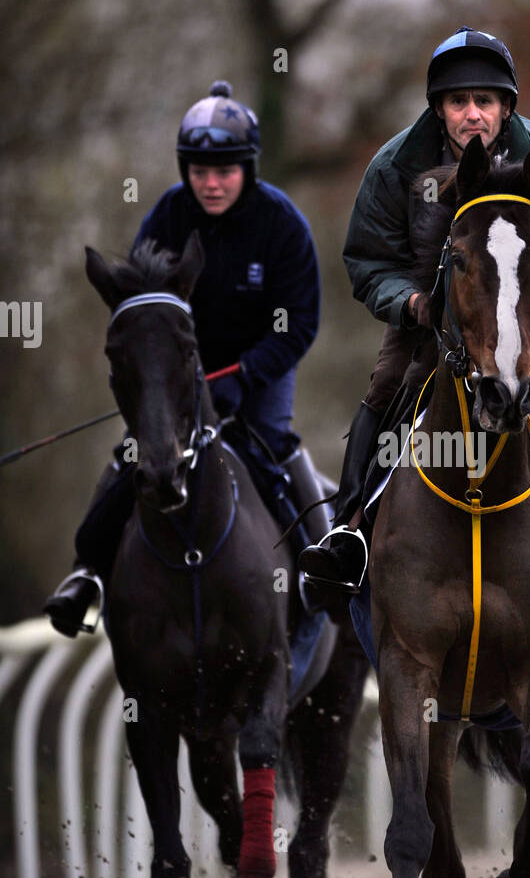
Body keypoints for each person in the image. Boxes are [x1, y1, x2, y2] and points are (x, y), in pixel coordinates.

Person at [298, 27, 530, 615]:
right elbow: (367, 259)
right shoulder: (394, 166)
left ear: (507, 107)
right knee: (387, 380)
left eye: (485, 102)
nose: (472, 115)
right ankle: (348, 529)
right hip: (430, 315)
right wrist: (409, 304)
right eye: (459, 103)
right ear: (439, 109)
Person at [44, 80, 323, 637]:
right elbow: (140, 314)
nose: (211, 184)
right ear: (185, 170)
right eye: (199, 171)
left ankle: (324, 566)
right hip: (176, 376)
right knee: (135, 456)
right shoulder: (167, 218)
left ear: (247, 169)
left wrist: (245, 376)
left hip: (258, 370)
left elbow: (300, 322)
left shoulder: (282, 225)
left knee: (272, 446)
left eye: (223, 171)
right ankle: (86, 574)